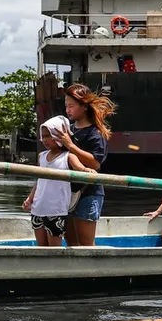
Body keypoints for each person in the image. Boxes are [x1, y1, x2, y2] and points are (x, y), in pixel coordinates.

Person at [57, 83, 117, 247]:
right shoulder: (68, 130)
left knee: (85, 243)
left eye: (71, 106)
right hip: (67, 191)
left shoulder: (95, 132)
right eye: (66, 106)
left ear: (84, 107)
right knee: (70, 241)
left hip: (88, 192)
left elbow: (95, 163)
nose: (68, 110)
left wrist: (70, 146)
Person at [22, 116, 88, 246]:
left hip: (56, 210)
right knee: (41, 246)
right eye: (43, 136)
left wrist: (88, 171)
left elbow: (81, 169)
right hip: (38, 208)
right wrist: (30, 199)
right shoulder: (42, 156)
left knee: (54, 248)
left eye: (49, 136)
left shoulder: (68, 157)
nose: (45, 140)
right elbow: (39, 181)